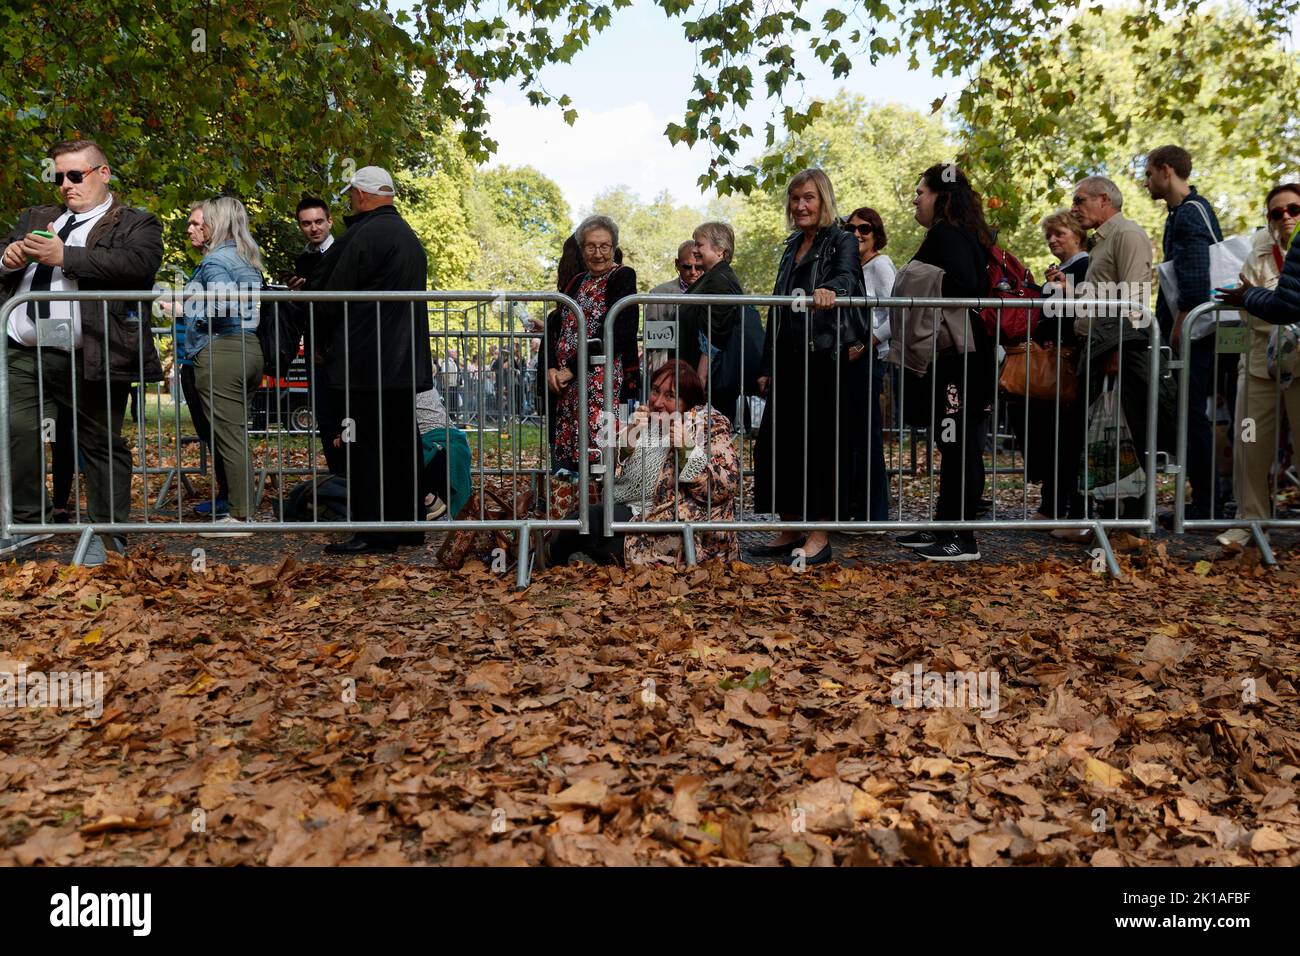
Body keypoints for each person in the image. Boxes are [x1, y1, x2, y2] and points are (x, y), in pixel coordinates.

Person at [0, 139, 164, 564]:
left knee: (100, 442)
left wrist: (64, 256)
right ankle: (27, 526)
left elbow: (135, 267)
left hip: (93, 351)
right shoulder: (36, 217)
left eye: (76, 175)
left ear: (103, 173)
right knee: (18, 436)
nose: (66, 185)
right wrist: (9, 259)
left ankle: (109, 535)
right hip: (25, 351)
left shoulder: (135, 222)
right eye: (59, 177)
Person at [751, 168, 871, 566]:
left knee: (821, 448)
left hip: (823, 359)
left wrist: (830, 291)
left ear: (823, 200)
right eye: (795, 198)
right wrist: (767, 364)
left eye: (809, 198)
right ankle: (789, 527)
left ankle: (819, 535)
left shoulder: (842, 239)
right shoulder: (790, 247)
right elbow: (777, 306)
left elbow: (848, 278)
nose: (800, 205)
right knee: (777, 445)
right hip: (787, 361)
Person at [314, 165, 432, 555]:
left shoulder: (363, 234)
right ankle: (408, 526)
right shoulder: (407, 235)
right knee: (401, 443)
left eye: (350, 195)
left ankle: (373, 531)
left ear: (361, 195)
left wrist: (319, 337)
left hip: (365, 361)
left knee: (365, 446)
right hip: (400, 363)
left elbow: (331, 295)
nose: (350, 201)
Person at [891, 165, 997, 561]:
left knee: (960, 445)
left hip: (960, 360)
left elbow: (965, 285)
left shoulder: (949, 234)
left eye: (921, 191)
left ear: (941, 197)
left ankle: (961, 536)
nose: (916, 198)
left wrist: (915, 277)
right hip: (952, 358)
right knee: (950, 442)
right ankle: (943, 524)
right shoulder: (952, 234)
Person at [548, 360, 739, 566]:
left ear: (688, 402)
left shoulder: (708, 425)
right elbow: (610, 474)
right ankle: (562, 556)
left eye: (670, 396)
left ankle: (563, 557)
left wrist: (687, 448)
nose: (657, 402)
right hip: (634, 513)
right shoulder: (647, 421)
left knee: (588, 526)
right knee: (583, 523)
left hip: (677, 528)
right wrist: (629, 437)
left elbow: (723, 488)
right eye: (655, 391)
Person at [1068, 174, 1167, 533]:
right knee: (1105, 435)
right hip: (1101, 349)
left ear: (1104, 200)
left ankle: (1133, 523)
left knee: (1130, 434)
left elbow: (1134, 298)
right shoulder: (1101, 241)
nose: (1073, 208)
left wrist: (1117, 350)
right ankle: (1111, 518)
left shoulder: (1127, 234)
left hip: (1121, 351)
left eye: (1080, 200)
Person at [1216, 184, 1300, 548]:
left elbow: (1271, 304)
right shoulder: (1258, 252)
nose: (1286, 217)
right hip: (1258, 364)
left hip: (1298, 367)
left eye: (1294, 208)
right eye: (1276, 212)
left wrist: (1262, 301)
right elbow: (1247, 307)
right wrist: (1264, 303)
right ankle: (1249, 521)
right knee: (1249, 443)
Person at [1145, 144, 1226, 521]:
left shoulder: (1189, 215)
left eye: (1148, 174)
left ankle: (1207, 504)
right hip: (1192, 329)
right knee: (1189, 414)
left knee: (1191, 415)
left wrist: (1178, 327)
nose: (1146, 182)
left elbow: (1194, 281)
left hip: (1195, 332)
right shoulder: (1182, 212)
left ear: (1166, 171)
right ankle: (1203, 501)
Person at [179, 197, 266, 536]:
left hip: (222, 352)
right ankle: (242, 511)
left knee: (229, 436)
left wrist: (186, 307)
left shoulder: (215, 260)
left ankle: (240, 516)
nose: (198, 227)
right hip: (248, 349)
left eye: (206, 221)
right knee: (235, 434)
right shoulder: (246, 257)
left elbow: (224, 304)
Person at [548, 215, 638, 473]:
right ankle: (573, 506)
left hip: (601, 381)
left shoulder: (622, 276)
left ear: (613, 247)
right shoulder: (577, 281)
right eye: (591, 246)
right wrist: (552, 368)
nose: (598, 253)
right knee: (571, 454)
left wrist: (572, 368)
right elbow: (556, 326)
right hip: (569, 386)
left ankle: (600, 509)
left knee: (601, 449)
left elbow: (617, 331)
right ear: (581, 248)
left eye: (604, 246)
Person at [164, 201, 230, 516]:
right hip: (190, 359)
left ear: (214, 225)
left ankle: (232, 501)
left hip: (210, 358)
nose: (189, 229)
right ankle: (227, 497)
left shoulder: (220, 264)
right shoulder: (205, 263)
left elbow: (222, 310)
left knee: (220, 432)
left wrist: (179, 308)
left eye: (195, 223)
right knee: (208, 433)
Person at [1025, 210, 1089, 524]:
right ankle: (1052, 505)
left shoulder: (1085, 267)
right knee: (1054, 436)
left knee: (1068, 437)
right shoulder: (1061, 270)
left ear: (1077, 235)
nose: (1052, 240)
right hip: (1053, 359)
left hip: (1069, 360)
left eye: (1059, 234)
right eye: (1049, 235)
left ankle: (1065, 508)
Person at [285, 196, 345, 476]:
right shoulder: (302, 260)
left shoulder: (345, 251)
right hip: (316, 348)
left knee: (349, 416)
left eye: (319, 221)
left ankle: (353, 480)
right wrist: (296, 295)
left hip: (345, 347)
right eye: (306, 223)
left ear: (330, 221)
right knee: (325, 415)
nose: (313, 228)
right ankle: (338, 478)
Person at [845, 205, 895, 523]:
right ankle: (853, 509)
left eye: (865, 229)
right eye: (851, 228)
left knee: (868, 437)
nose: (857, 234)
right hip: (848, 361)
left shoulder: (881, 265)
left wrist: (868, 344)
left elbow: (896, 311)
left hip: (871, 360)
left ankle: (874, 515)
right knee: (851, 438)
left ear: (876, 235)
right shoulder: (849, 267)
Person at [678, 222, 744, 401]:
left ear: (720, 250)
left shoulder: (720, 280)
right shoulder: (711, 277)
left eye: (699, 245)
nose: (694, 250)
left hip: (710, 382)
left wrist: (701, 377)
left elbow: (715, 332)